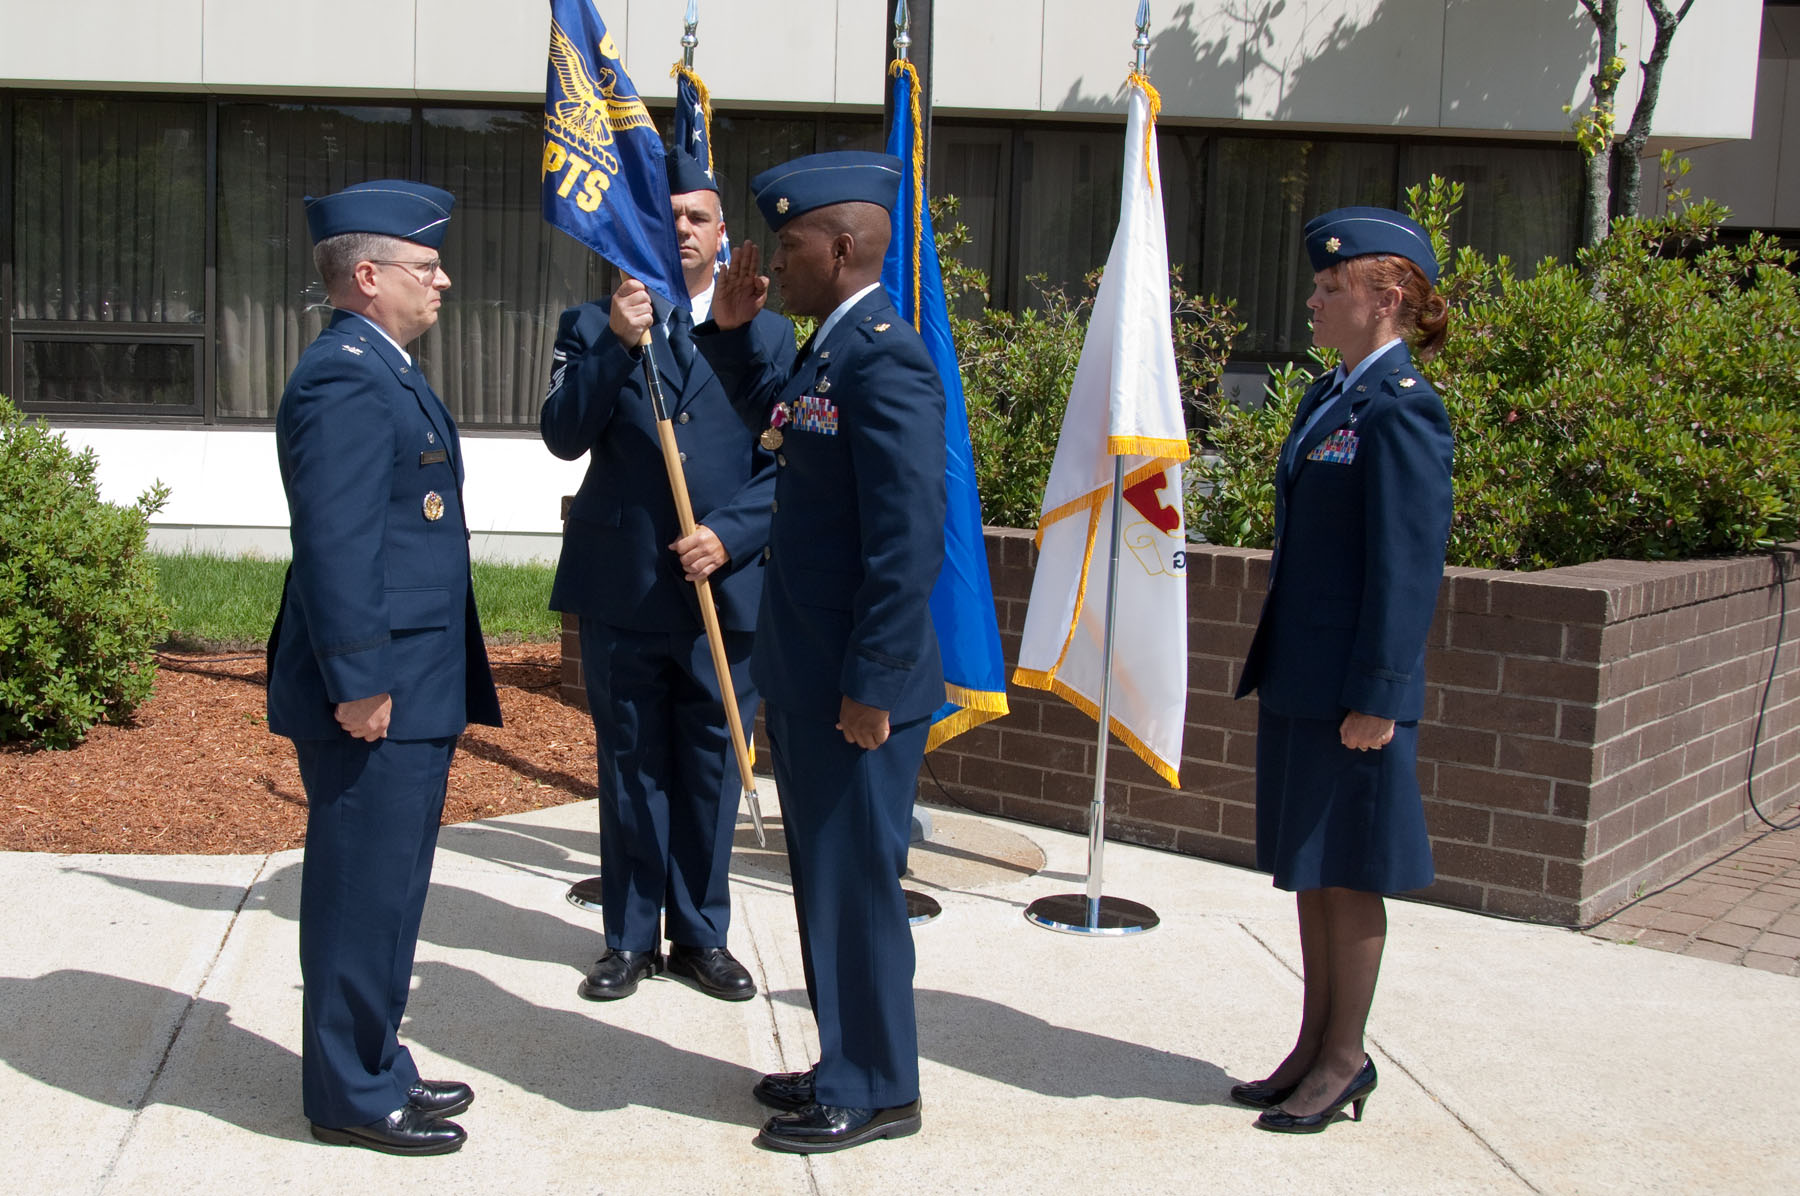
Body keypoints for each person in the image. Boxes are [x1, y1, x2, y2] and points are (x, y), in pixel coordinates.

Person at [697, 150, 946, 1154]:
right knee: (827, 881)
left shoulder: (887, 358)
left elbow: (907, 536)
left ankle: (881, 1084)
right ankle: (845, 1054)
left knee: (856, 886)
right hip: (810, 677)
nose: (773, 262)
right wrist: (726, 332)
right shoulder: (826, 355)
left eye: (789, 243)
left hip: (857, 687)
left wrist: (874, 683)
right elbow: (778, 430)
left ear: (841, 248)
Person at [266, 179, 503, 1155]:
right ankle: (348, 1092)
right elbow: (336, 541)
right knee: (363, 885)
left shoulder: (381, 364)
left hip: (413, 681)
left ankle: (376, 1056)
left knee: (395, 886)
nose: (443, 278)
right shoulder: (345, 377)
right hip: (375, 689)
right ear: (368, 277)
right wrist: (359, 678)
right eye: (425, 264)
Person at [541, 150, 793, 1003]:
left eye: (698, 216)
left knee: (712, 767)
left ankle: (700, 934)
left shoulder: (764, 331)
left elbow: (794, 459)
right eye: (668, 215)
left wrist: (730, 534)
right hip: (627, 587)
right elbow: (564, 435)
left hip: (725, 586)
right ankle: (627, 938)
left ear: (724, 235)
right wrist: (617, 340)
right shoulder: (590, 325)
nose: (682, 228)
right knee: (629, 765)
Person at [1231, 206, 1454, 1134]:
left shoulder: (1402, 407)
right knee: (1313, 867)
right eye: (1317, 287)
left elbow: (1407, 564)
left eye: (1332, 289)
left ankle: (1345, 1056)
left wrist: (1381, 695)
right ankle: (1313, 1043)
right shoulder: (1335, 395)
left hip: (1352, 688)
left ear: (1388, 296)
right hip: (1306, 675)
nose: (1314, 302)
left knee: (1351, 871)